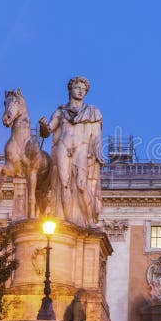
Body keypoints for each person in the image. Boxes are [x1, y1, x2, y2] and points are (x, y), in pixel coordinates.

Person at [39, 76, 105, 228]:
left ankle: (89, 221)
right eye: (77, 87)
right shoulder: (60, 112)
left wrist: (95, 154)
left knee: (82, 185)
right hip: (63, 145)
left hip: (82, 148)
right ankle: (67, 223)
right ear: (70, 89)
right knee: (64, 184)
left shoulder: (93, 112)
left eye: (83, 89)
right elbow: (47, 131)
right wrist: (43, 126)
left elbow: (96, 137)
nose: (81, 91)